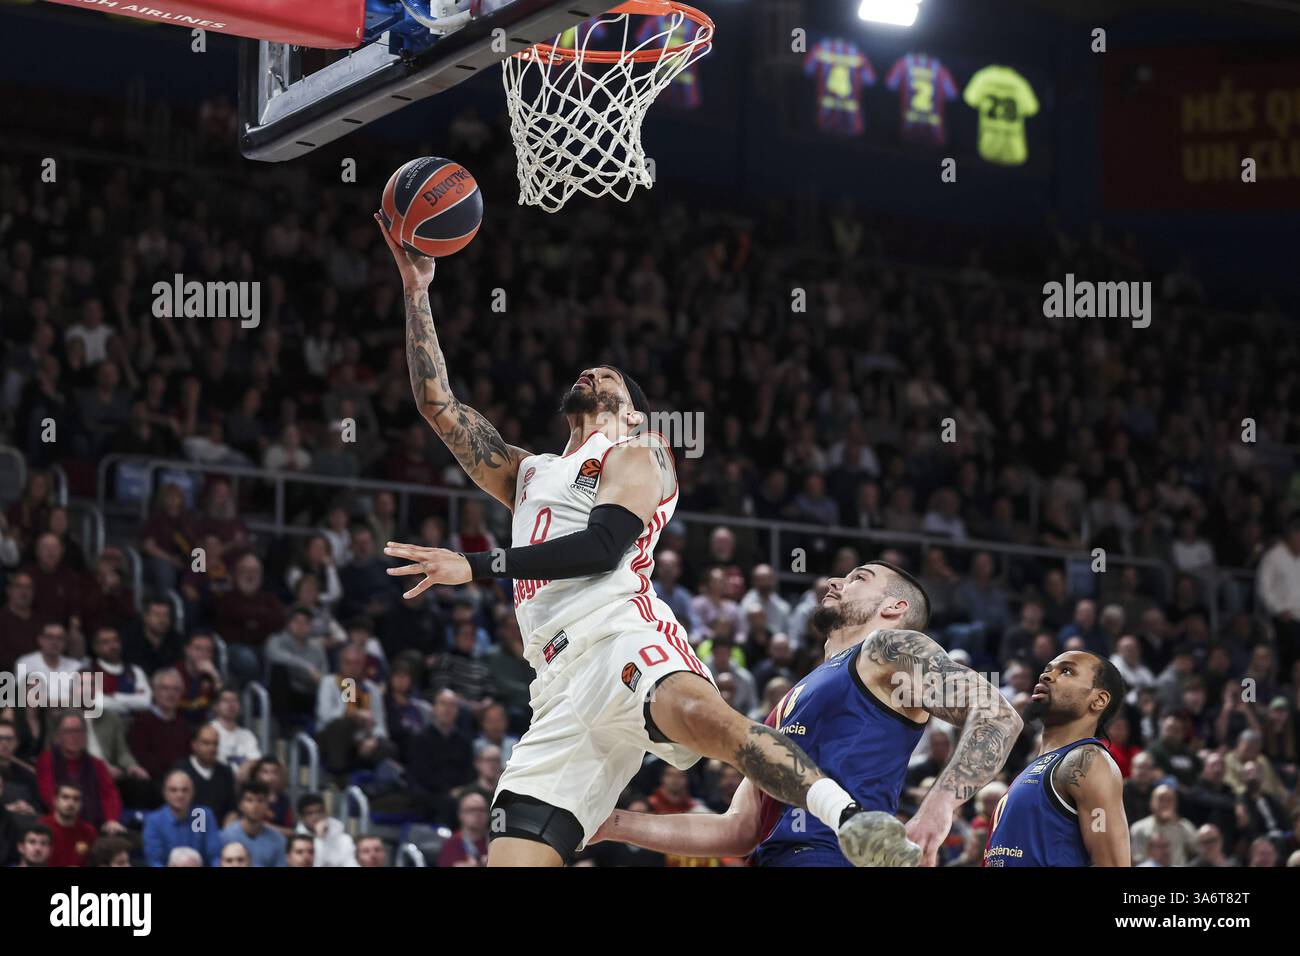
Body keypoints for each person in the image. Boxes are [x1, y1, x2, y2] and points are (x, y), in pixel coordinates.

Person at [379, 230, 913, 867]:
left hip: (620, 635)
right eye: (589, 371)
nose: (594, 373)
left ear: (634, 414)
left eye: (611, 379)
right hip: (555, 684)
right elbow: (438, 406)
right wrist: (416, 290)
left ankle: (851, 819)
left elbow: (603, 546)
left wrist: (473, 565)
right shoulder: (527, 471)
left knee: (711, 724)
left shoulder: (640, 451)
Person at [592, 561, 1021, 866]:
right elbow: (739, 829)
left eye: (859, 578)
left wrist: (937, 809)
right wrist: (610, 824)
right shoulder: (796, 696)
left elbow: (997, 715)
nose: (835, 582)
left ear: (894, 608)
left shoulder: (889, 649)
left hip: (834, 854)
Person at [983, 651, 1131, 866]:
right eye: (1047, 669)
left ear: (1098, 700)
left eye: (1066, 671)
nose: (1046, 675)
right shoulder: (1039, 766)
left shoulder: (1087, 761)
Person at [142, 770, 221, 867]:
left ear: (193, 792)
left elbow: (215, 856)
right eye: (173, 790)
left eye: (185, 790)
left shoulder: (202, 815)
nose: (180, 795)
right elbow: (153, 861)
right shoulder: (154, 821)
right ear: (164, 793)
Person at [173, 724, 237, 823]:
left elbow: (232, 809)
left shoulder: (226, 772)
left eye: (215, 744)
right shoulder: (180, 771)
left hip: (219, 830)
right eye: (206, 743)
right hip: (187, 828)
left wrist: (228, 829)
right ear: (194, 745)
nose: (211, 748)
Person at [219, 782, 286, 867]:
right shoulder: (225, 837)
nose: (255, 805)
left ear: (267, 805)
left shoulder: (278, 840)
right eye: (249, 800)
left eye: (260, 801)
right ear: (240, 805)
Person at [39, 782, 99, 867]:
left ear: (81, 804)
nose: (71, 803)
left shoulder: (89, 832)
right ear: (55, 800)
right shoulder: (41, 826)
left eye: (76, 799)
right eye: (65, 797)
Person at [209, 688, 262, 780]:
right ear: (216, 706)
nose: (231, 704)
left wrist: (247, 767)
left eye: (234, 700)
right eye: (225, 700)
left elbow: (256, 759)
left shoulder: (247, 735)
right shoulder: (208, 731)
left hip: (244, 781)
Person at [295, 793, 357, 867]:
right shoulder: (297, 843)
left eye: (319, 811)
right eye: (309, 813)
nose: (315, 816)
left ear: (326, 812)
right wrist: (319, 838)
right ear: (301, 818)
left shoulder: (344, 839)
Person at [436, 790, 490, 867]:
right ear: (461, 814)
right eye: (472, 810)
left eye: (482, 810)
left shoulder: (497, 841)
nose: (478, 814)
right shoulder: (452, 844)